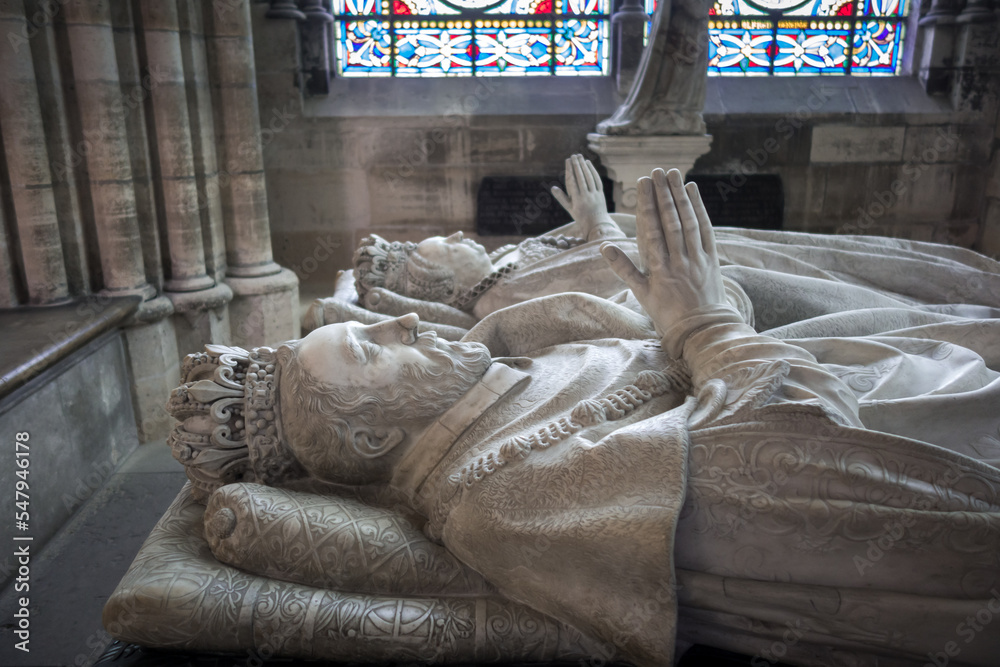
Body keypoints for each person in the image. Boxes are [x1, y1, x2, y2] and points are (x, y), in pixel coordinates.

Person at [158, 169, 1000, 666]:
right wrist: (705, 323)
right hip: (942, 438)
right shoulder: (512, 499)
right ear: (375, 436)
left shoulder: (501, 384)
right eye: (375, 345)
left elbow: (672, 347)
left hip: (904, 371)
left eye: (373, 320)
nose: (407, 319)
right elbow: (818, 481)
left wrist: (693, 308)